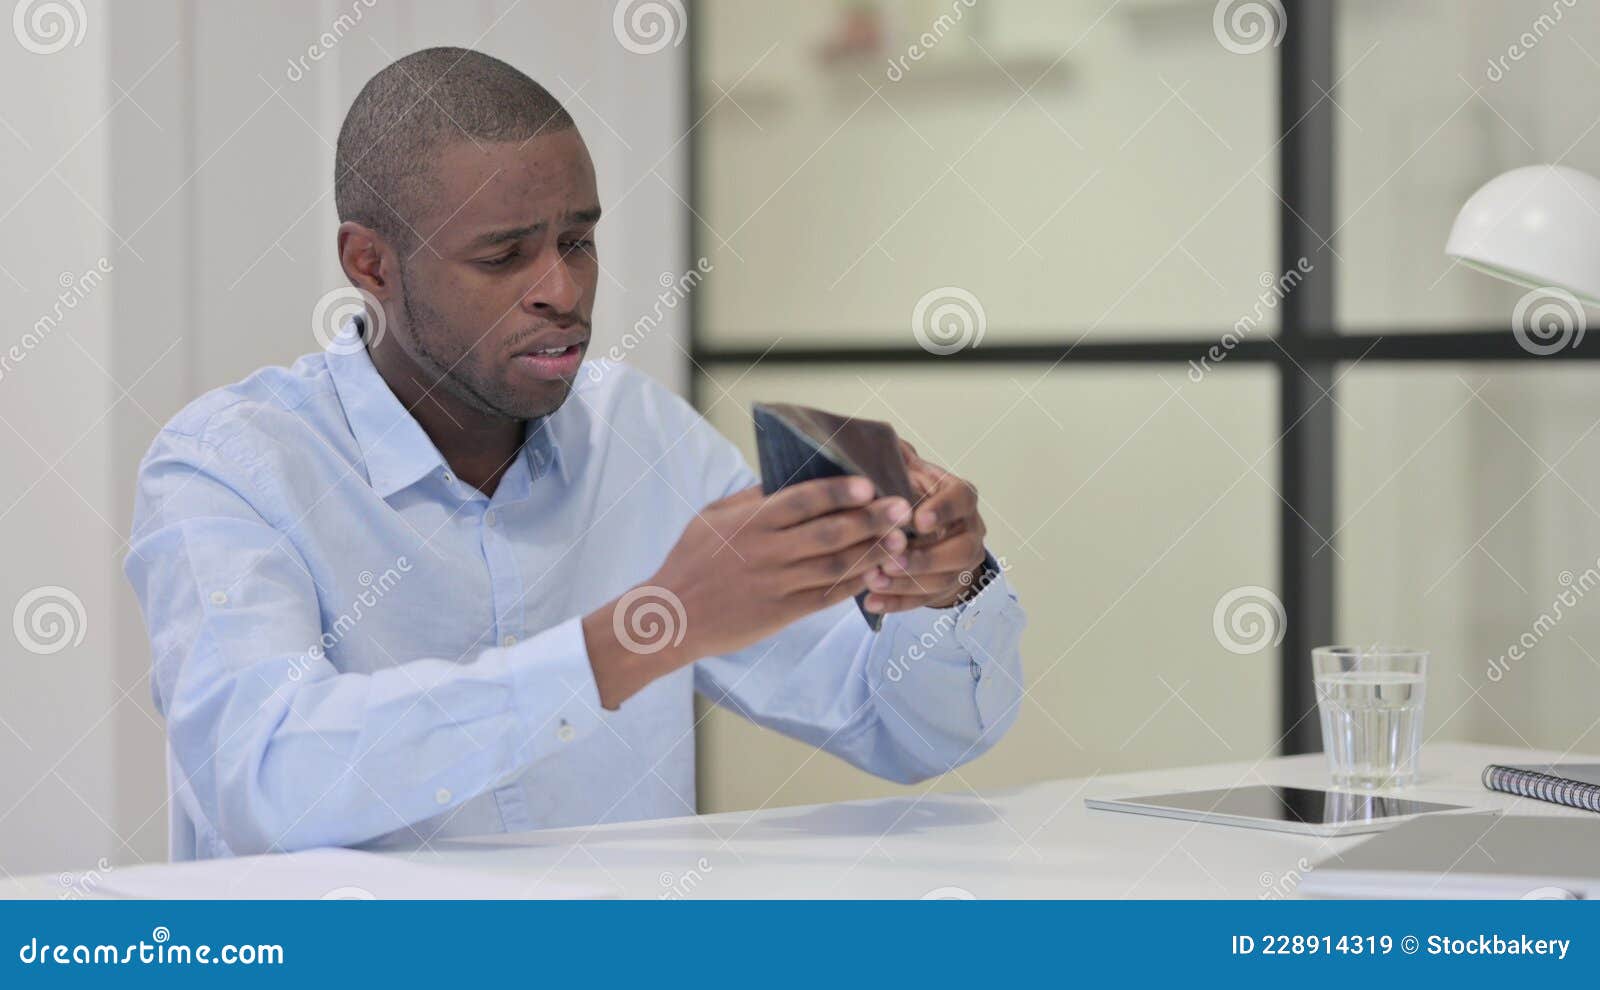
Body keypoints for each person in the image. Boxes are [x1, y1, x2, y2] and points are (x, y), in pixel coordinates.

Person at [124, 47, 1025, 861]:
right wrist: (642, 631)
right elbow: (266, 780)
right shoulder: (230, 466)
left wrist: (938, 596)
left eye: (578, 242)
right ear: (371, 265)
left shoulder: (636, 432)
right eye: (503, 257)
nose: (562, 291)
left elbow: (907, 733)